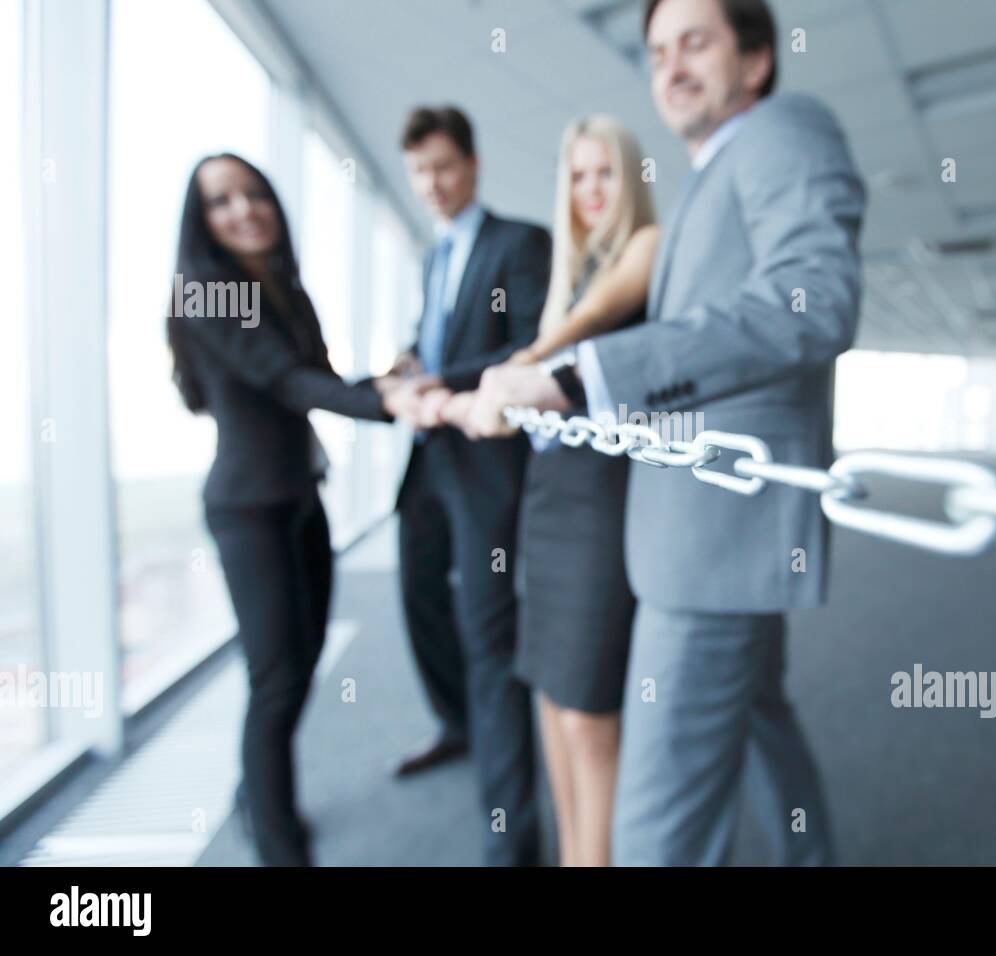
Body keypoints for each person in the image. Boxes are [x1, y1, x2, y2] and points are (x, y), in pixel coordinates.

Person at [450, 0, 866, 866]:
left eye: (696, 43)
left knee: (654, 834)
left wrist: (582, 377)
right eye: (657, 50)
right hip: (707, 536)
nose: (670, 65)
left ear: (754, 60)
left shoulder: (785, 129)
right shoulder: (709, 180)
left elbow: (814, 302)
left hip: (708, 548)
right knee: (761, 726)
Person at [166, 153, 426, 866]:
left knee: (302, 661)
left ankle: (257, 793)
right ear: (203, 222)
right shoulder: (204, 292)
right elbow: (282, 380)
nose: (243, 209)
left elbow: (317, 379)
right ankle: (276, 841)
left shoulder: (282, 287)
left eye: (254, 194)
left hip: (300, 500)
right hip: (247, 511)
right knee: (275, 679)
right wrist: (384, 404)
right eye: (221, 202)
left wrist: (383, 382)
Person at [440, 115, 658, 866]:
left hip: (604, 496)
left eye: (606, 173)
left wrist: (512, 373)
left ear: (631, 180)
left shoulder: (642, 252)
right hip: (551, 491)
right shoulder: (571, 273)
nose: (592, 189)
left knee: (589, 715)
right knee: (549, 699)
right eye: (578, 175)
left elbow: (582, 336)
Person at [387, 107, 551, 866]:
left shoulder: (520, 242)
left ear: (474, 165)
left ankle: (510, 843)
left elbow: (526, 345)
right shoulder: (435, 257)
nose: (433, 184)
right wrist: (409, 369)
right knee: (419, 599)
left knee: (490, 640)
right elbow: (439, 341)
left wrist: (439, 381)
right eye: (420, 171)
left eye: (445, 167)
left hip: (484, 465)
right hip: (429, 462)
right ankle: (458, 725)